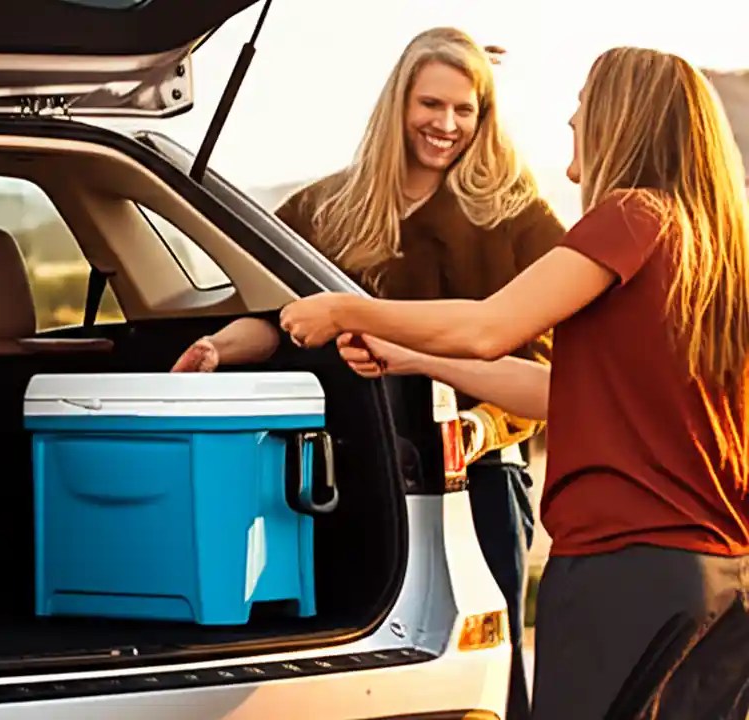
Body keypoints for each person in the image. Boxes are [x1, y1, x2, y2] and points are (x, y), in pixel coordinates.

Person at [283, 45, 749, 720]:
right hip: (715, 574)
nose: (571, 116)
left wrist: (345, 309)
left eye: (586, 100)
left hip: (624, 571)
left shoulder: (629, 217)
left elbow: (489, 326)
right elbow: (554, 392)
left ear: (621, 116)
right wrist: (411, 358)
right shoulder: (708, 246)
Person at [171, 26, 564, 717]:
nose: (446, 125)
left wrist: (480, 428)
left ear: (485, 116)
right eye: (431, 104)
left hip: (473, 483)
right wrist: (217, 349)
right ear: (398, 104)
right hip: (337, 479)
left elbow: (550, 370)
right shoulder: (326, 207)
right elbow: (274, 319)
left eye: (464, 110)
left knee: (485, 685)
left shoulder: (518, 218)